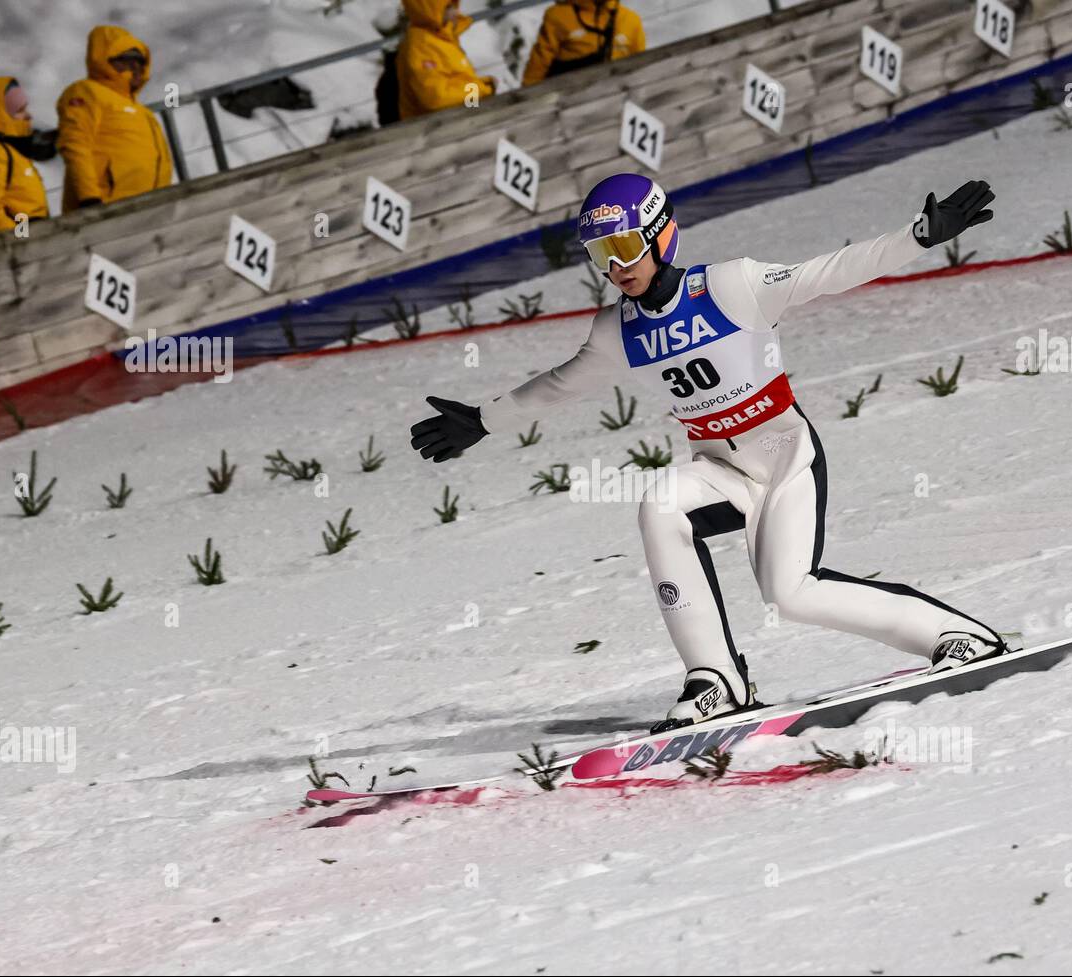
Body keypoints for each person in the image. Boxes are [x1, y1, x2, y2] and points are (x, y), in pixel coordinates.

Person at [410, 173, 1005, 729]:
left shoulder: (732, 285)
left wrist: (918, 237)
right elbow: (561, 384)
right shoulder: (617, 330)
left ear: (659, 235)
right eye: (599, 254)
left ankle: (958, 637)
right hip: (723, 471)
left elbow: (830, 271)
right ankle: (715, 679)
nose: (615, 267)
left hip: (785, 459)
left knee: (792, 595)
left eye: (623, 245)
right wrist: (484, 420)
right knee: (662, 502)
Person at [56, 25, 172, 212]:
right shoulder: (86, 92)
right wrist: (89, 198)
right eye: (126, 60)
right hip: (106, 208)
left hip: (148, 207)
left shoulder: (141, 111)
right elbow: (75, 144)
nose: (136, 67)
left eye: (140, 61)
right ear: (104, 60)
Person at [0, 77, 52, 234]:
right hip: (20, 246)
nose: (28, 116)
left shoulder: (14, 148)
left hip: (35, 235)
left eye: (25, 108)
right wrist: (22, 236)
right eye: (19, 111)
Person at [395, 0, 495, 120]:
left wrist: (482, 85)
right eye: (448, 7)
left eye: (454, 5)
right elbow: (437, 99)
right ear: (428, 11)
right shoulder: (422, 45)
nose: (455, 11)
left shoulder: (440, 38)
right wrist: (480, 90)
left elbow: (454, 84)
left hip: (455, 122)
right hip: (433, 131)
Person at [522, 0, 646, 87]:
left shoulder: (631, 21)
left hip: (615, 104)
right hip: (568, 104)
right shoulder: (558, 16)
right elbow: (536, 70)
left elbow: (641, 69)